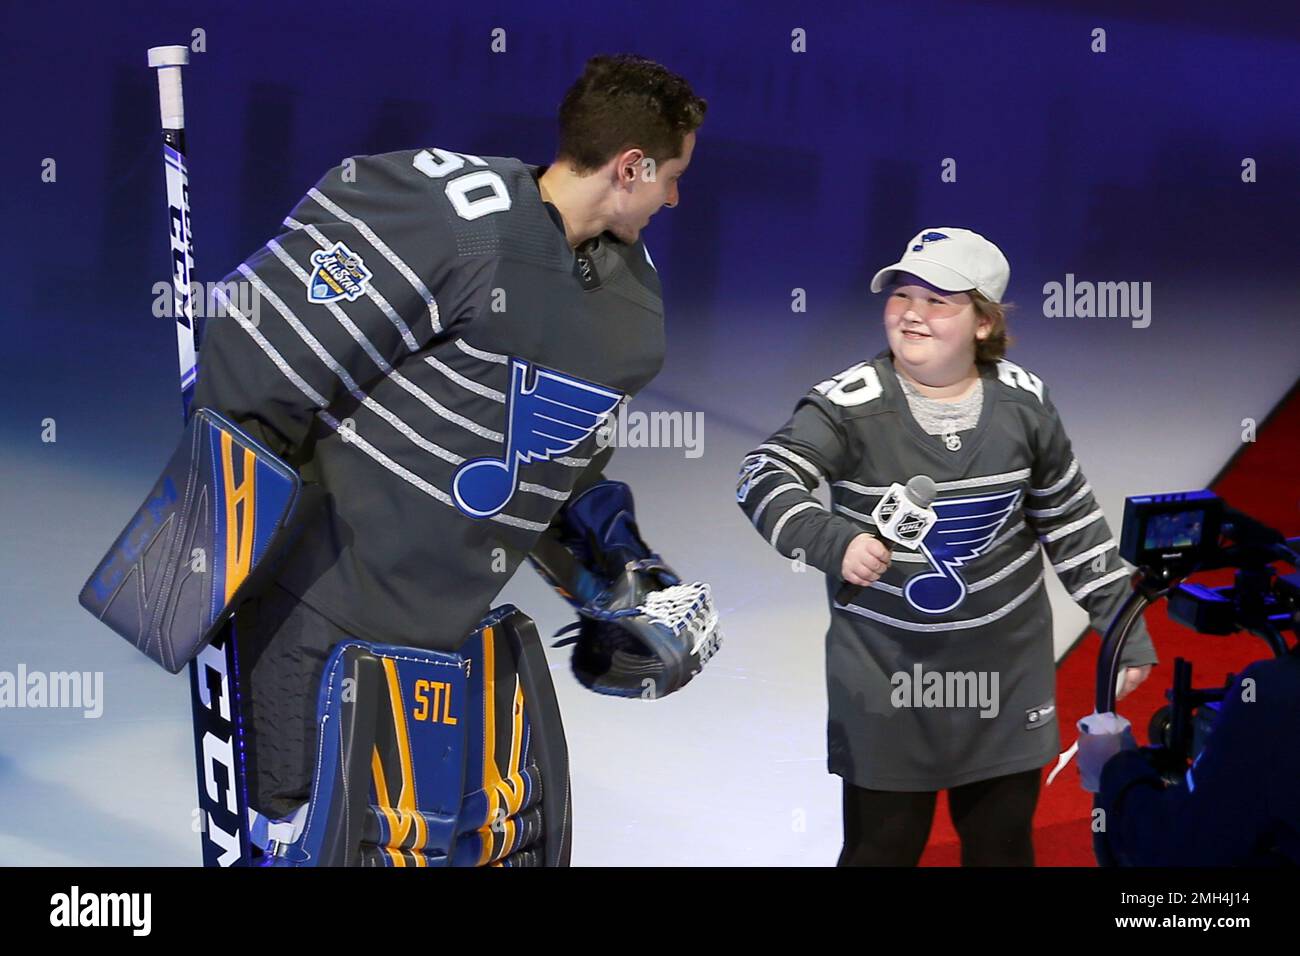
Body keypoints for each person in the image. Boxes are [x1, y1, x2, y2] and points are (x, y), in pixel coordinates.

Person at [192, 54, 708, 863]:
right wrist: (215, 528)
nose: (677, 196)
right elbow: (261, 356)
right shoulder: (447, 216)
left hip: (448, 637)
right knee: (306, 848)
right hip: (317, 610)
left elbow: (560, 472)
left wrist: (616, 577)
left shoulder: (628, 298)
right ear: (631, 167)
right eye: (672, 175)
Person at [735, 227, 1157, 866]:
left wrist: (1123, 625)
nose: (911, 312)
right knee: (881, 850)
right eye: (902, 294)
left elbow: (1071, 521)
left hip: (1005, 677)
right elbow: (763, 474)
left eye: (939, 301)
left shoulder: (1026, 403)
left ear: (984, 323)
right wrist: (831, 540)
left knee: (1002, 848)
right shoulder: (850, 405)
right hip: (885, 679)